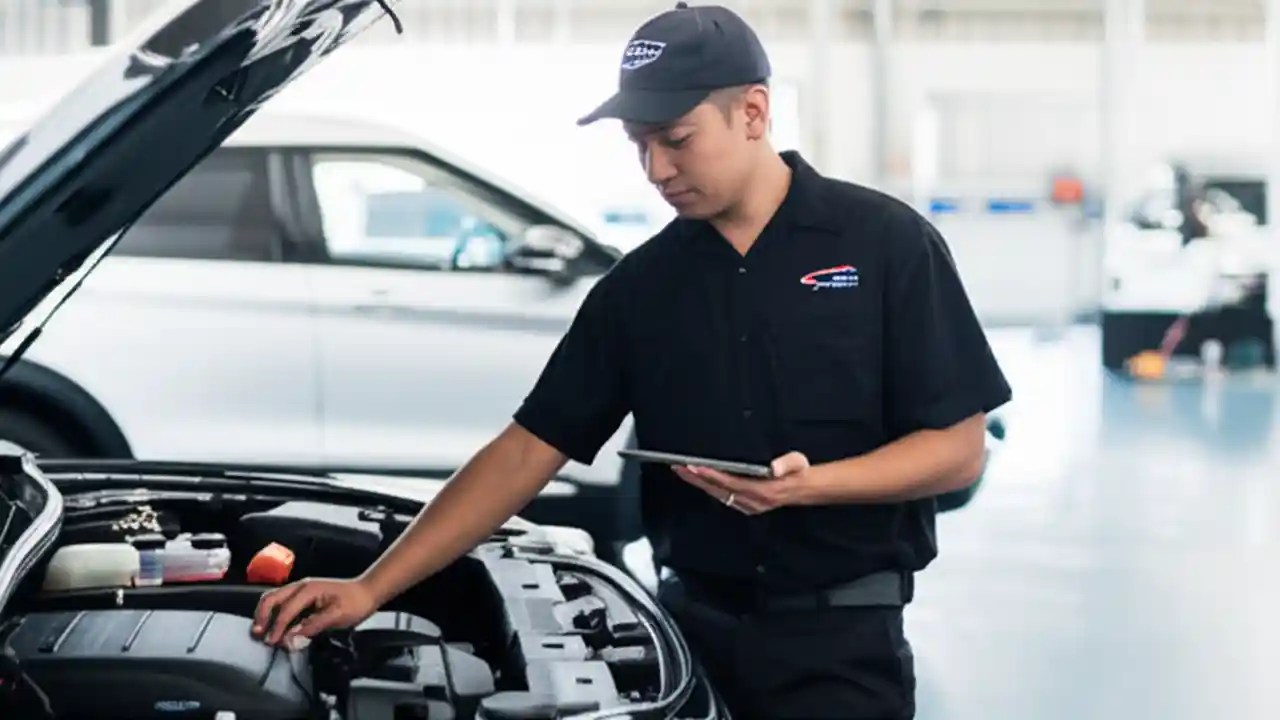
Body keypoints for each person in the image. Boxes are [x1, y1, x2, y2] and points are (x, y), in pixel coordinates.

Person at [251, 3, 1012, 718]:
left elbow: (956, 451)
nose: (654, 169)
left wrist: (811, 489)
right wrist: (370, 586)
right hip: (686, 640)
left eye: (675, 139)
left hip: (841, 647)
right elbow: (526, 449)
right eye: (637, 146)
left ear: (753, 112)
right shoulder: (641, 288)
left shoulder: (884, 246)